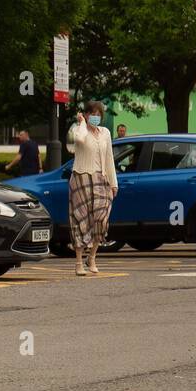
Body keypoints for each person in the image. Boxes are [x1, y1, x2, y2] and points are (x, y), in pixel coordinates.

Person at [69, 103, 117, 275]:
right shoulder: (78, 129)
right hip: (81, 178)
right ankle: (79, 262)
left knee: (102, 220)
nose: (95, 117)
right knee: (81, 220)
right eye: (92, 114)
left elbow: (109, 157)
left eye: (98, 114)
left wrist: (113, 183)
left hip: (101, 179)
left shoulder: (105, 133)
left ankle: (92, 257)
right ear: (86, 114)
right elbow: (80, 140)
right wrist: (81, 122)